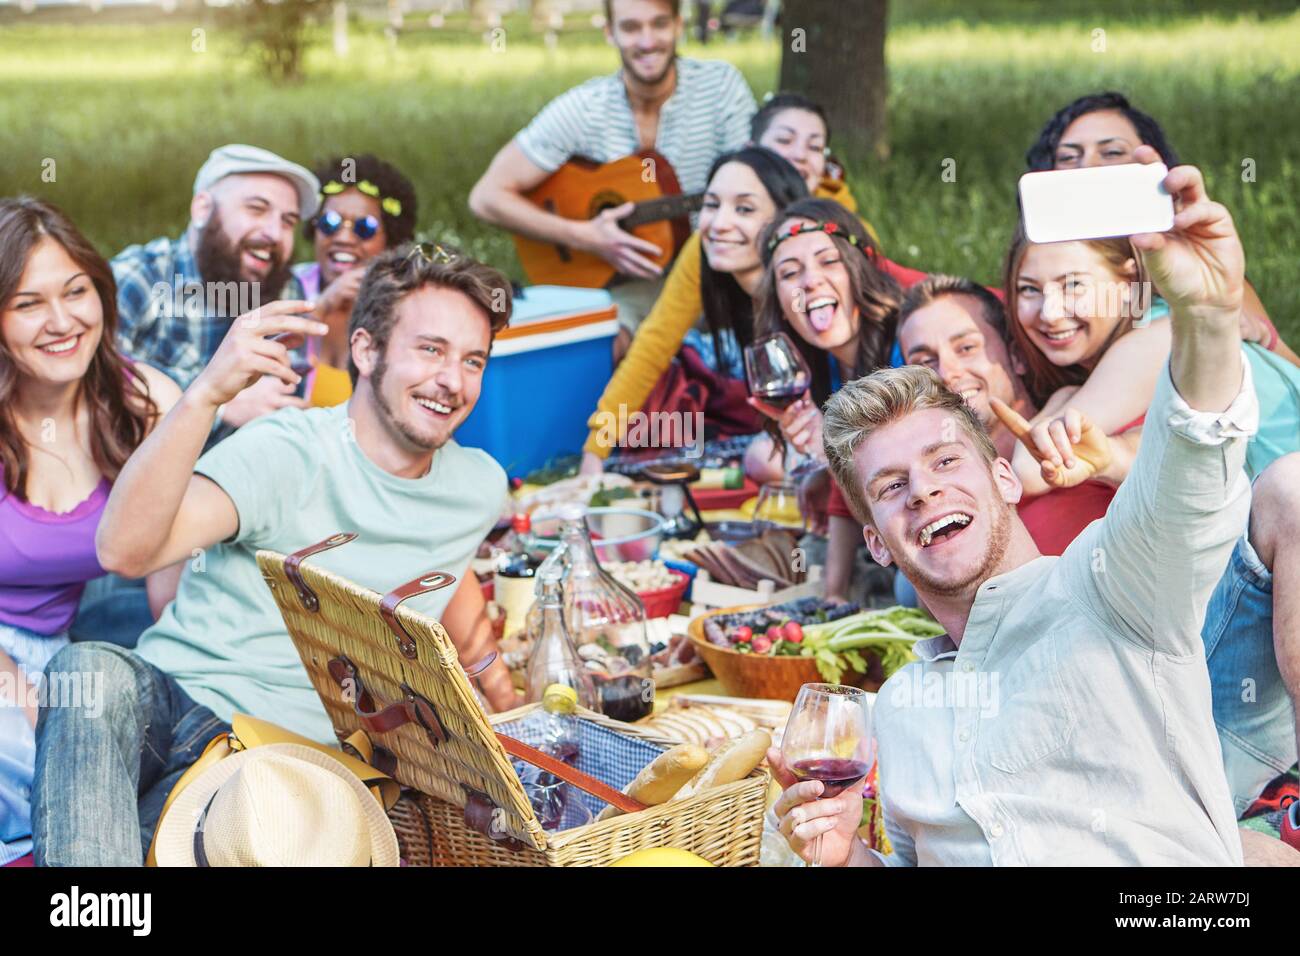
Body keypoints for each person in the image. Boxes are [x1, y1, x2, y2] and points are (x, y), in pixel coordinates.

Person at [770, 148, 1295, 866]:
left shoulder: (1114, 589)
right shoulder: (897, 710)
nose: (923, 490)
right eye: (892, 487)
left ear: (1008, 480)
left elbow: (1193, 459)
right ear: (878, 543)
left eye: (948, 462)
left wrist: (1206, 316)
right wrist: (843, 855)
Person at [33, 243, 519, 865]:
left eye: (472, 360)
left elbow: (450, 590)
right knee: (89, 673)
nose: (452, 380)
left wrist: (517, 719)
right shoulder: (285, 451)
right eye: (430, 349)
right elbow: (124, 552)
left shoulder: (476, 488)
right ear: (366, 350)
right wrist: (206, 394)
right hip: (176, 709)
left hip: (284, 782)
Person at [1003, 228, 1300, 818]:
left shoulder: (1156, 336)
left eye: (1073, 285)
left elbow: (1033, 465)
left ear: (1129, 285)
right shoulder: (1162, 347)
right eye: (1029, 289)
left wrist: (1062, 404)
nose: (1050, 310)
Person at [579, 93, 915, 474]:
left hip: (886, 403)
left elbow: (899, 329)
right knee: (763, 456)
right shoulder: (714, 245)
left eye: (814, 146)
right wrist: (595, 453)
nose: (799, 156)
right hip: (816, 398)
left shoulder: (835, 238)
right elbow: (654, 343)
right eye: (784, 141)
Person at [0, 197, 181, 866]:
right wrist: (24, 706)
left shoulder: (146, 404)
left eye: (76, 291)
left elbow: (170, 588)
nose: (62, 321)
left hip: (64, 649)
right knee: (31, 762)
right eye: (28, 304)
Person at [468, 0, 756, 337]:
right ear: (610, 33)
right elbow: (485, 197)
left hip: (714, 272)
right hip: (628, 283)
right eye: (631, 28)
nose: (647, 41)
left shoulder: (721, 88)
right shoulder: (585, 108)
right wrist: (586, 237)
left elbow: (757, 183)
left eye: (659, 24)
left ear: (679, 26)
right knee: (602, 345)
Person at [1026, 90, 1296, 366]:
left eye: (1112, 152)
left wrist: (1266, 340)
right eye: (1069, 157)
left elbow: (1291, 369)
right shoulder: (1036, 278)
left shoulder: (1200, 267)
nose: (1087, 166)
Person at [583, 146, 809, 469]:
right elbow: (654, 343)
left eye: (744, 209)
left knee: (766, 460)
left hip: (855, 419)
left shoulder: (812, 274)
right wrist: (595, 452)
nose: (719, 223)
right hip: (790, 423)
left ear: (785, 219)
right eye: (711, 205)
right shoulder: (704, 248)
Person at [111, 143, 320, 427]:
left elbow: (277, 408)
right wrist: (220, 406)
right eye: (257, 209)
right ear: (202, 209)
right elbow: (95, 385)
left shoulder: (284, 290)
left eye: (288, 221)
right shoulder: (141, 278)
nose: (273, 233)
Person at [293, 153, 419, 408]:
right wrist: (322, 306)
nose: (344, 238)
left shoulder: (404, 305)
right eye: (330, 223)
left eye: (364, 228)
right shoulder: (290, 286)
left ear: (390, 239)